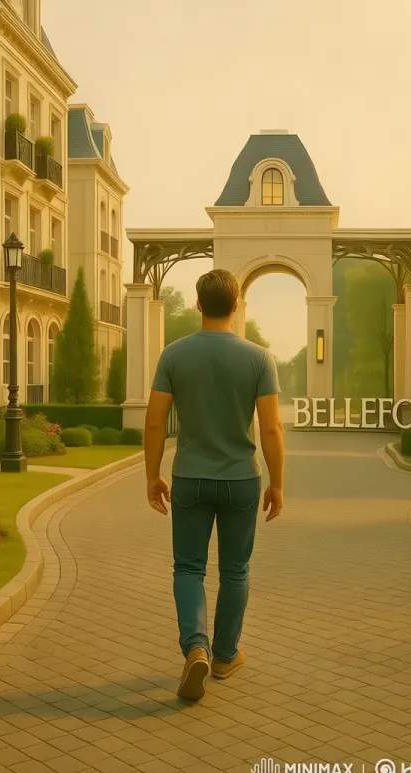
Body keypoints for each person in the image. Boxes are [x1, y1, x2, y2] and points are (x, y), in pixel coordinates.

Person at [144, 268, 285, 702]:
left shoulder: (174, 355)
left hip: (190, 476)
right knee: (235, 571)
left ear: (199, 304)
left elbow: (153, 421)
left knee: (188, 568)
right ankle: (224, 656)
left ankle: (196, 647)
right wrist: (277, 484)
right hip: (242, 479)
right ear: (238, 303)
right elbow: (272, 429)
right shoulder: (259, 358)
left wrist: (152, 476)